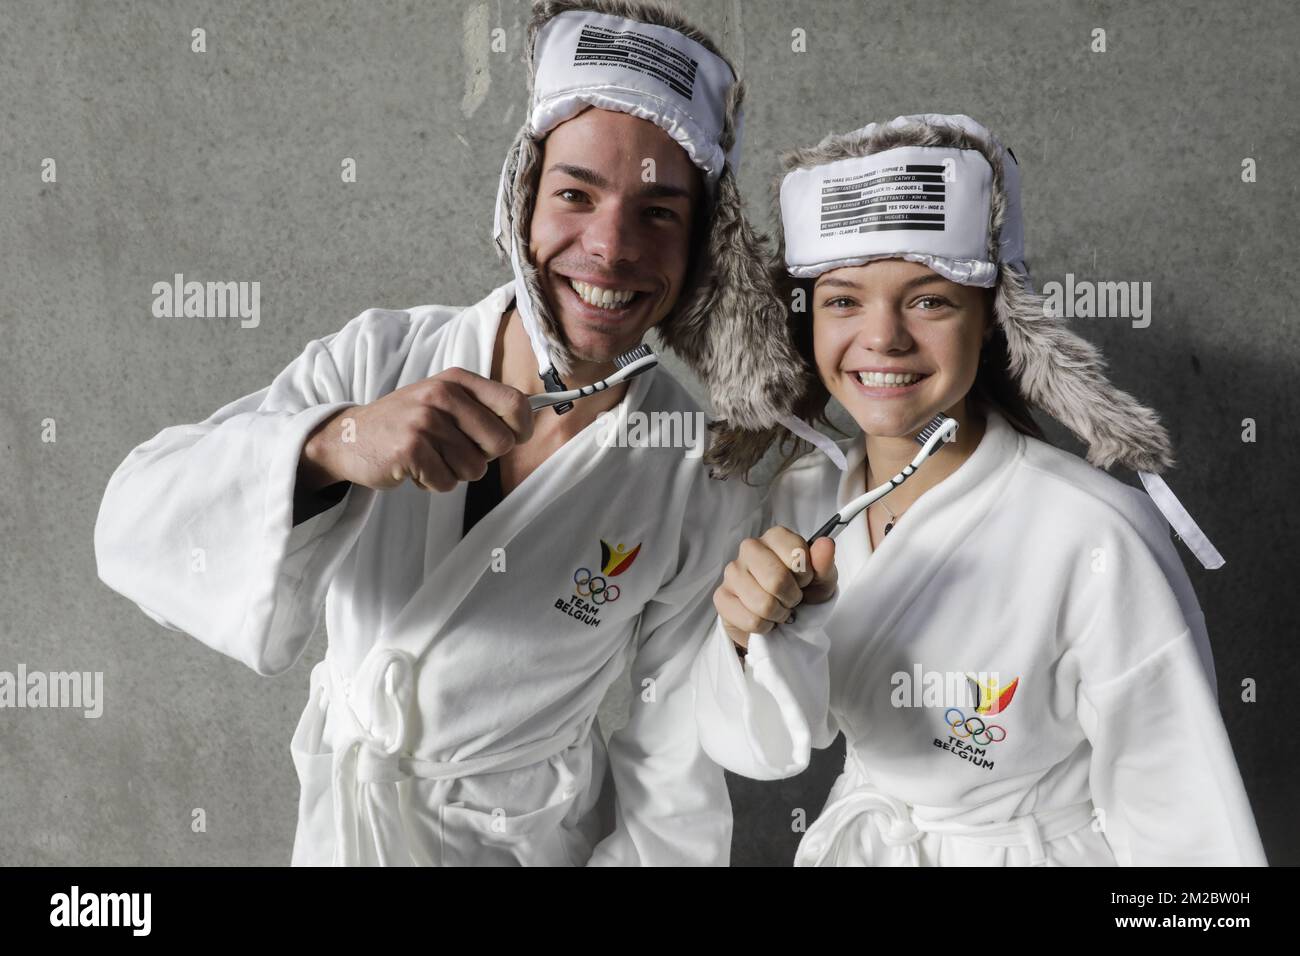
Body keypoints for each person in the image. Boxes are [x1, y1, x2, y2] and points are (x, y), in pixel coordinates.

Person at [93, 0, 806, 866]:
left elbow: (672, 776)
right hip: (345, 835)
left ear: (699, 252)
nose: (611, 248)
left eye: (658, 212)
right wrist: (334, 446)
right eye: (576, 194)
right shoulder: (379, 357)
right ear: (522, 199)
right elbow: (132, 525)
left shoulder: (699, 475)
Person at [692, 113, 1267, 866]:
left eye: (929, 299)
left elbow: (1180, 810)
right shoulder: (802, 499)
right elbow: (762, 749)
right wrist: (745, 637)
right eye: (842, 299)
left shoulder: (1094, 533)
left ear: (993, 319)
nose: (884, 337)